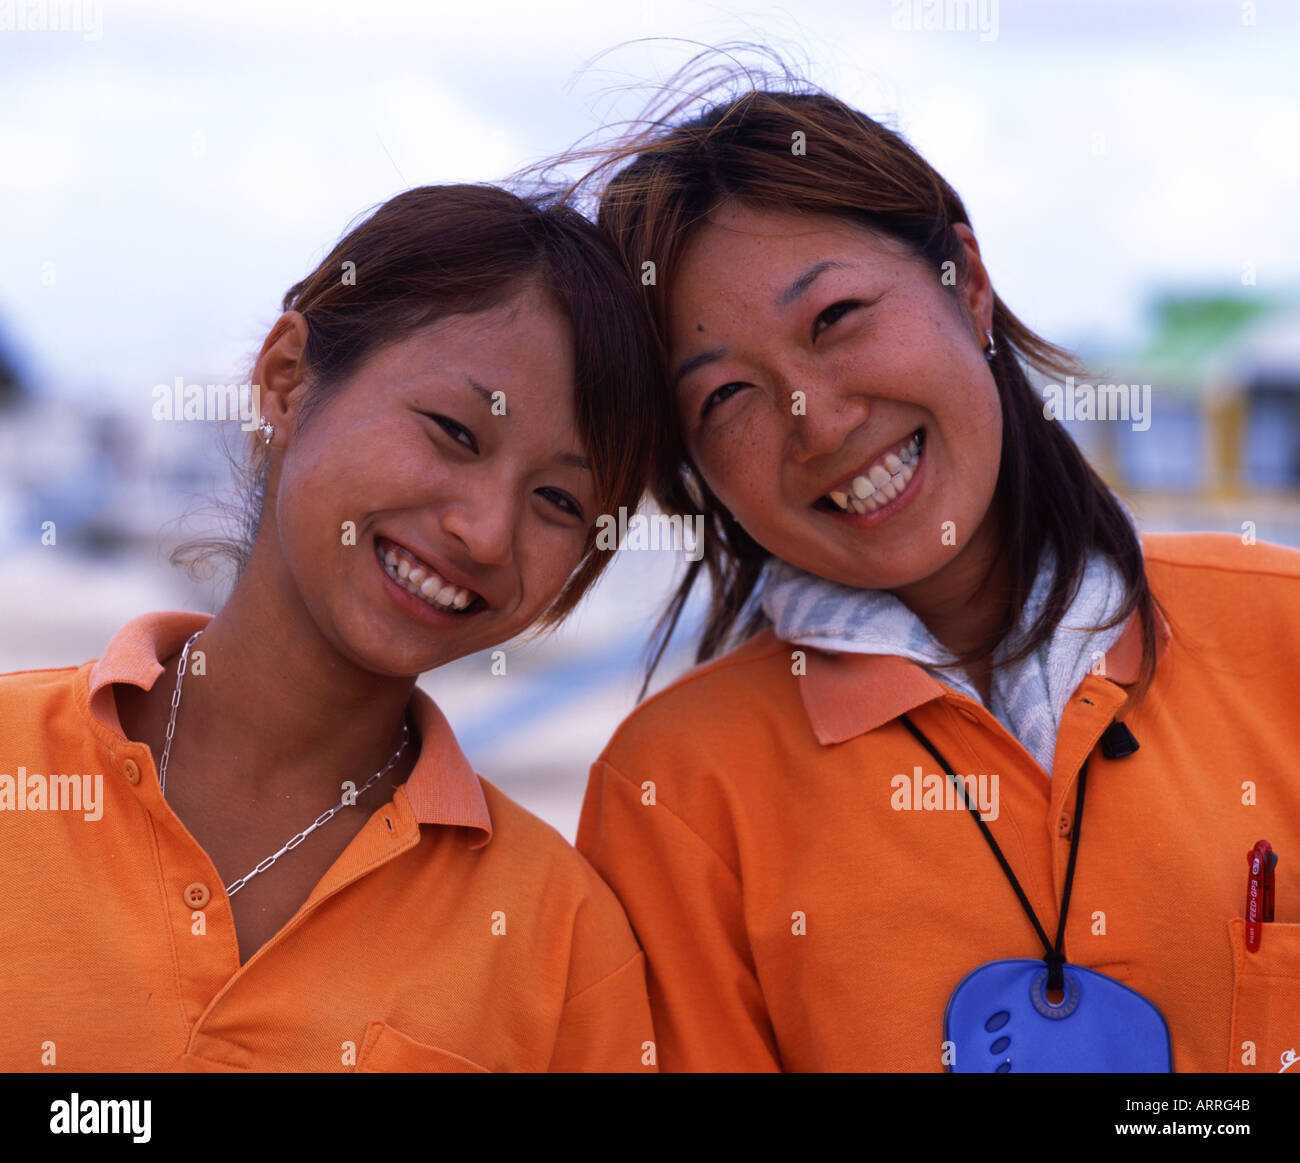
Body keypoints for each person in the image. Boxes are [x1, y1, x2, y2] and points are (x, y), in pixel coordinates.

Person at [569, 70, 1300, 1073]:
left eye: (833, 319)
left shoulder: (1281, 633)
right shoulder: (678, 795)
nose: (815, 420)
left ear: (967, 280)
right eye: (728, 394)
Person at [0, 183, 663, 1072]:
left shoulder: (563, 941)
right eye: (455, 433)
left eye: (557, 499)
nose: (486, 529)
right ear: (285, 382)